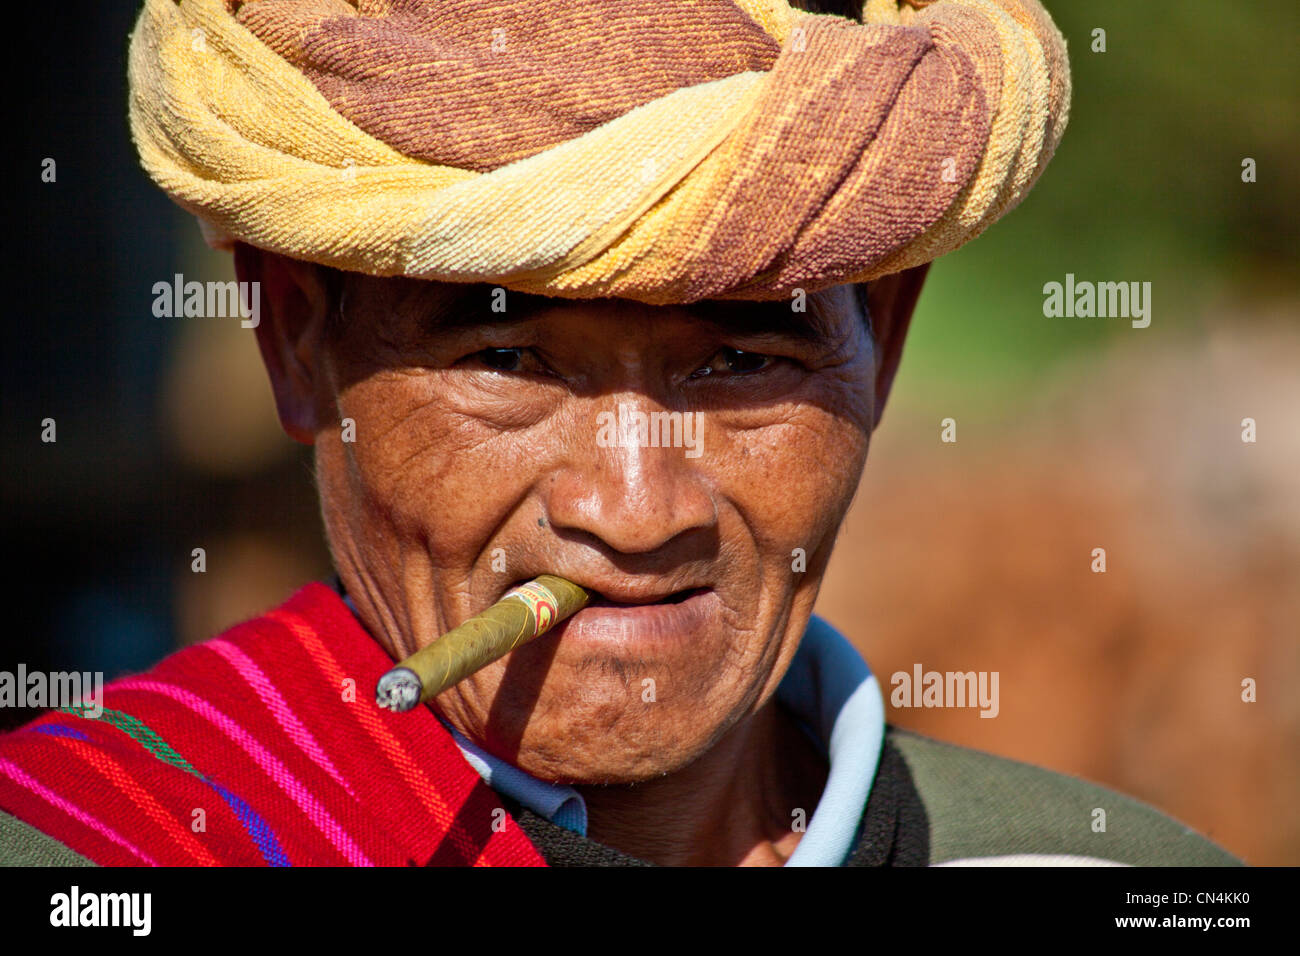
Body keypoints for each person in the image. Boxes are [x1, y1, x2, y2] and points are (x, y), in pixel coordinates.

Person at [0, 0, 1238, 866]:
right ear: (296, 345)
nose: (638, 513)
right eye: (504, 359)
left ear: (888, 341)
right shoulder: (91, 850)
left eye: (744, 356)